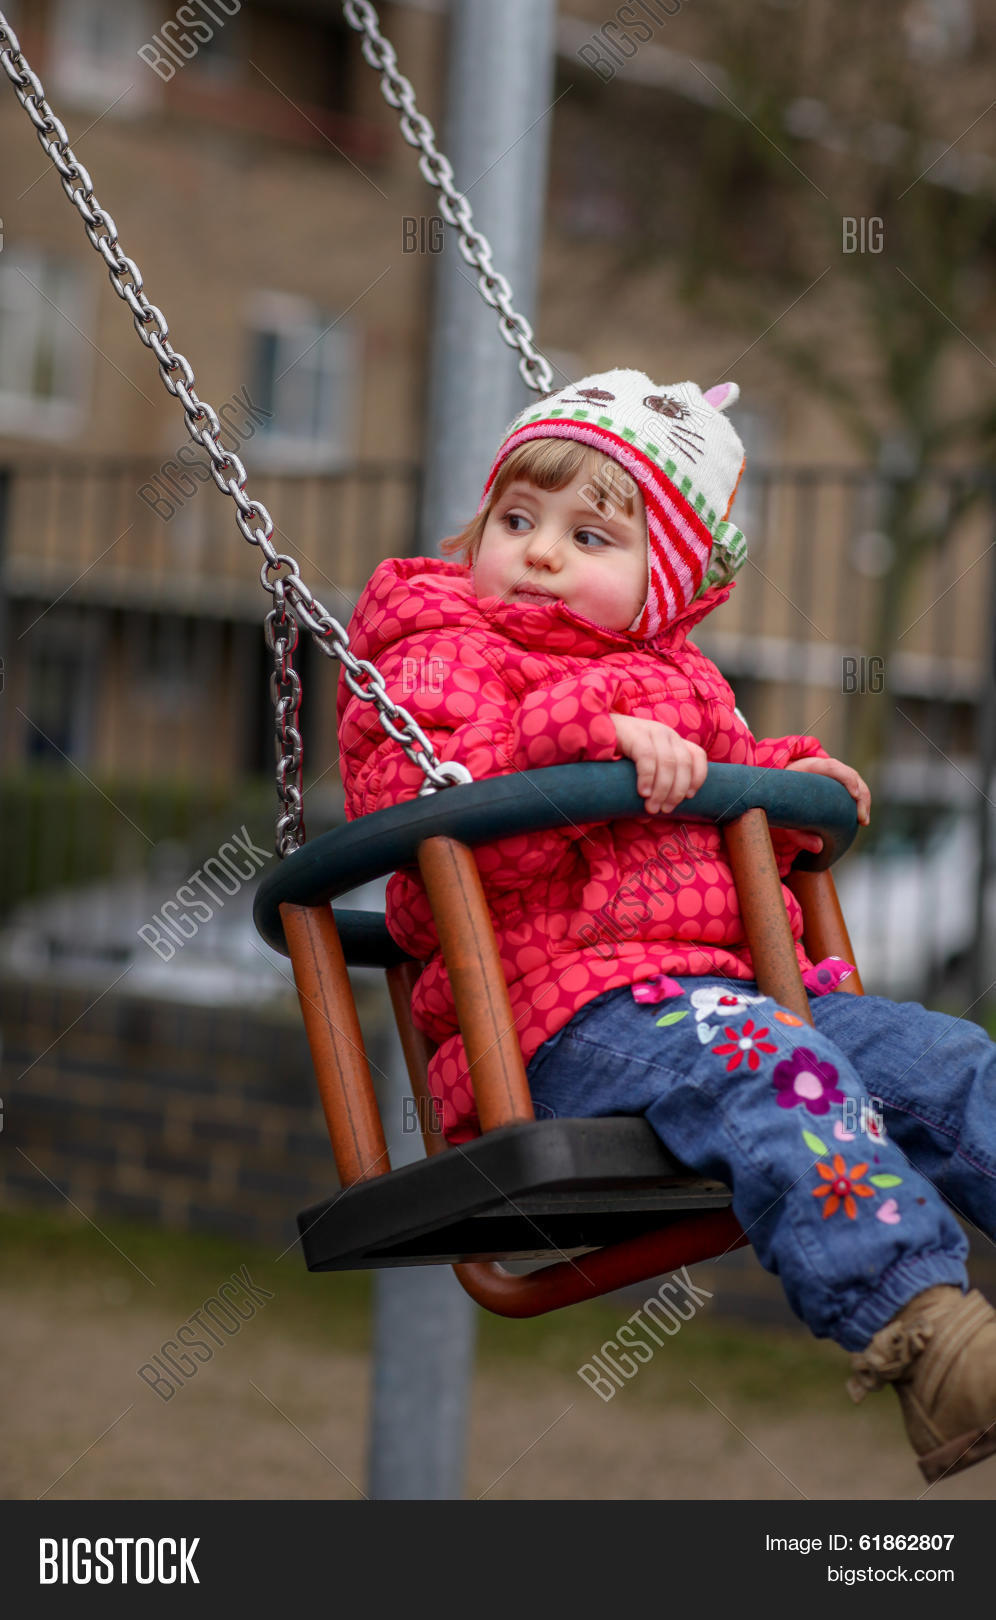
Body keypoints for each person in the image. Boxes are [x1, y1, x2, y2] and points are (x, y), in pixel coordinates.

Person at [337, 368, 996, 1483]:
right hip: (563, 1018)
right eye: (516, 519)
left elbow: (729, 789)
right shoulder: (438, 653)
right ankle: (930, 1338)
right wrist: (586, 729)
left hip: (739, 1001)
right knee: (778, 1064)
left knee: (951, 1061)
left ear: (663, 587)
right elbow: (417, 802)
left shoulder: (681, 681)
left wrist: (791, 784)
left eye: (590, 535)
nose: (541, 552)